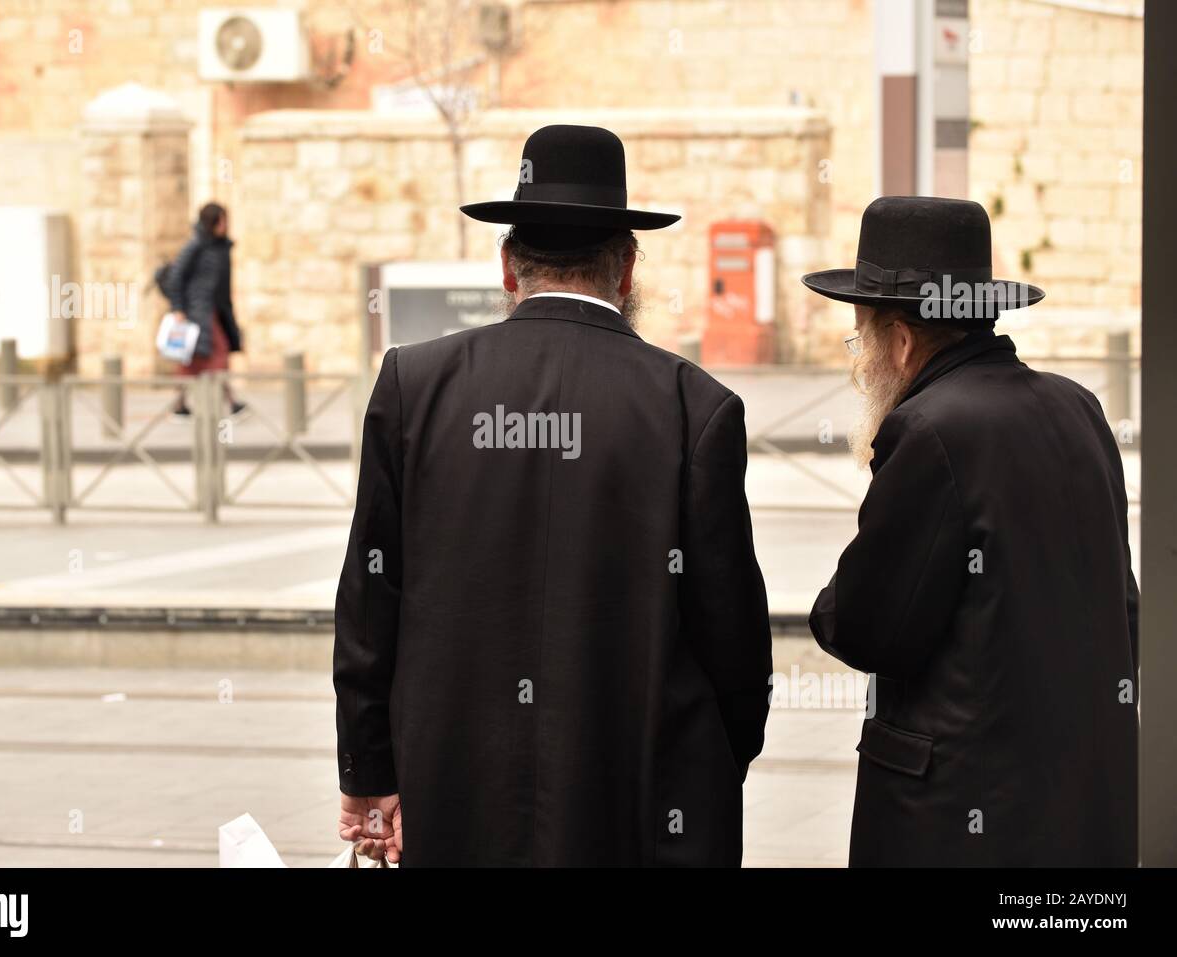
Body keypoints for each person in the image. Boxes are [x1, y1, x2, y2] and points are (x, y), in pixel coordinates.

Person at [333, 125, 772, 866]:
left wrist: (369, 771)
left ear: (508, 266)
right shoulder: (695, 405)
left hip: (452, 798)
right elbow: (731, 637)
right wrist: (709, 767)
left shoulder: (415, 384)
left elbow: (372, 603)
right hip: (635, 804)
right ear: (626, 267)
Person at [803, 196, 1138, 866]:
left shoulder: (931, 427)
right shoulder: (1079, 407)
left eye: (861, 340)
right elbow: (1122, 608)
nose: (859, 363)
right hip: (1085, 808)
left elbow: (868, 626)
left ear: (899, 341)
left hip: (961, 819)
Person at [164, 202, 245, 417]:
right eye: (221, 220)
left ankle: (182, 405)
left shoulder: (220, 247)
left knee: (198, 359)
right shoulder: (196, 246)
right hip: (197, 313)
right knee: (210, 356)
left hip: (215, 312)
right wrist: (179, 308)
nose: (225, 225)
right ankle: (230, 402)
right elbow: (176, 277)